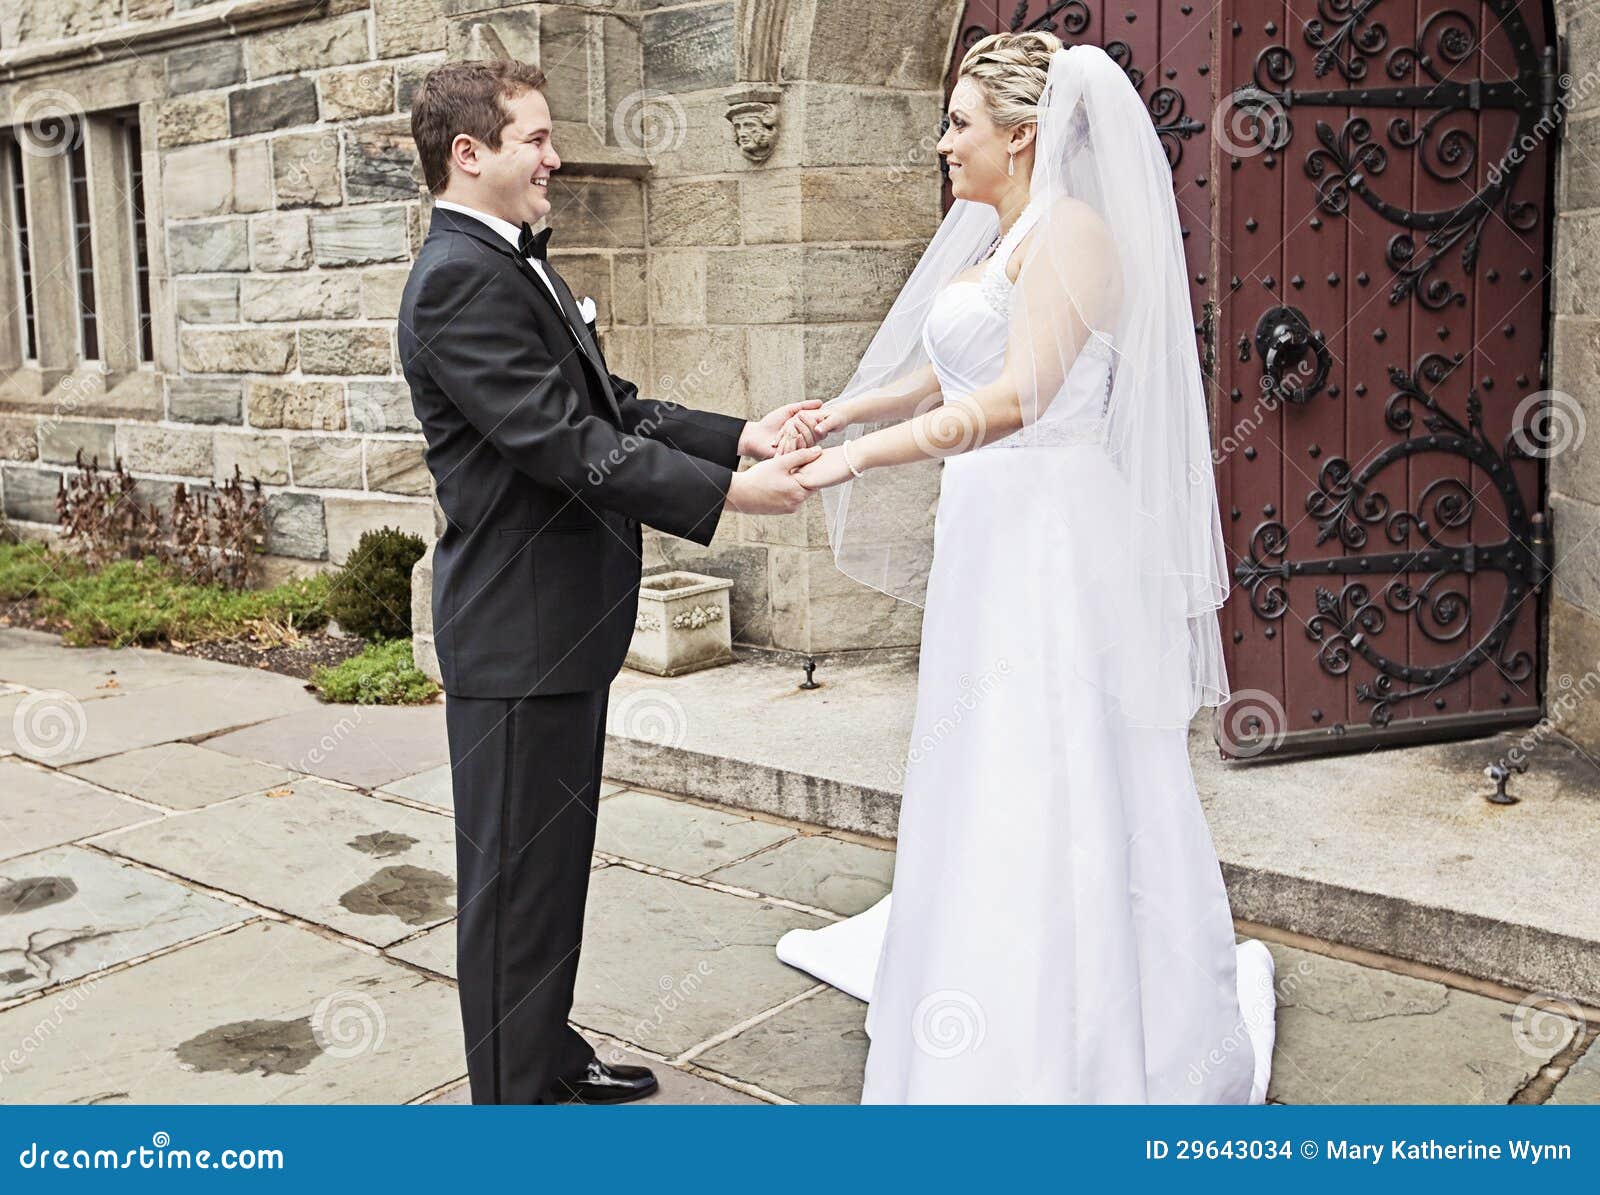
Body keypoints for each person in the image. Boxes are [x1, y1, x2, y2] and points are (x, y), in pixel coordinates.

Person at [771, 34, 1278, 1103]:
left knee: (1056, 755)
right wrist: (841, 411)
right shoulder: (997, 237)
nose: (944, 142)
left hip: (1054, 533)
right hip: (988, 530)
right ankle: (981, 980)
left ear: (1021, 136)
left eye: (960, 123)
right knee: (981, 753)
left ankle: (1083, 1033)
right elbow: (946, 371)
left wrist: (858, 459)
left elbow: (1017, 398)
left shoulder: (1074, 234)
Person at [398, 59, 821, 1104]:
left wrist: (739, 436)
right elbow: (562, 442)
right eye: (536, 139)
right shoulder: (456, 278)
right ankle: (516, 1109)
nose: (555, 158)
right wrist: (728, 496)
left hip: (556, 632)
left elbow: (612, 405)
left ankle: (544, 1054)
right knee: (515, 887)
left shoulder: (508, 260)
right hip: (516, 633)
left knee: (548, 873)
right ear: (470, 153)